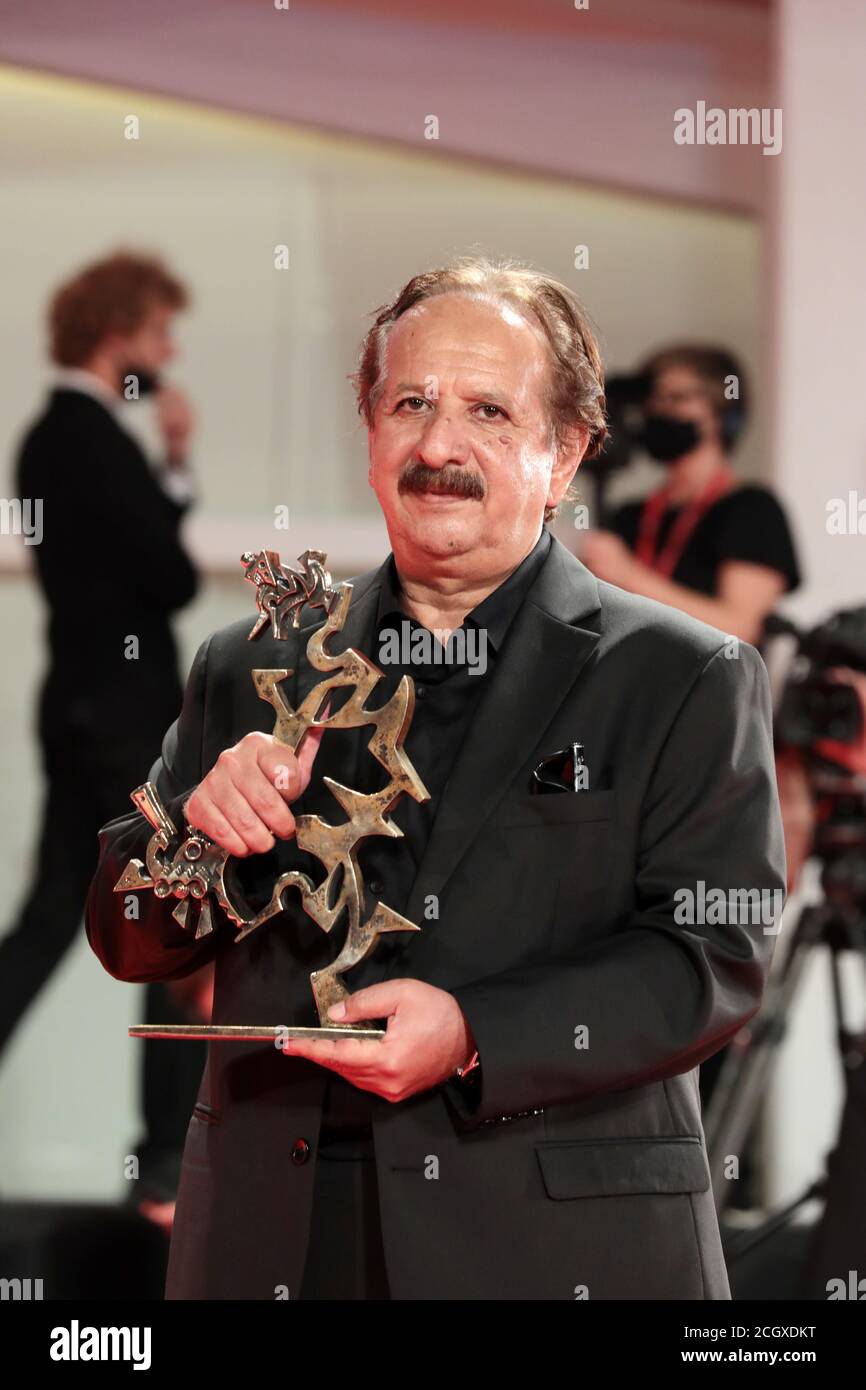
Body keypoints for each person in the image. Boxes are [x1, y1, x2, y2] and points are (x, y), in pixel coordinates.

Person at [85, 256, 786, 1300]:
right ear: (369, 431)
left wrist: (475, 1034)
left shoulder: (680, 675)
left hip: (553, 1254)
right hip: (276, 1242)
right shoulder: (252, 664)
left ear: (565, 455)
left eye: (489, 412)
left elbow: (714, 953)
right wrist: (196, 834)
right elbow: (129, 933)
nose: (438, 444)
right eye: (408, 402)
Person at [1, 250, 206, 1213]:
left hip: (78, 709)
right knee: (174, 927)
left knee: (52, 918)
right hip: (124, 726)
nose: (166, 355)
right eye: (160, 335)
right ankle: (166, 1164)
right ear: (118, 332)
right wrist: (173, 457)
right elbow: (166, 575)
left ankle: (164, 1158)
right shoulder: (88, 435)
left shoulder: (53, 437)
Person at [582, 345, 800, 646]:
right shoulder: (630, 517)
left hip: (713, 689)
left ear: (722, 415)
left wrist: (629, 576)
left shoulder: (752, 510)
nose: (660, 411)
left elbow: (740, 630)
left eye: (677, 398)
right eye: (654, 401)